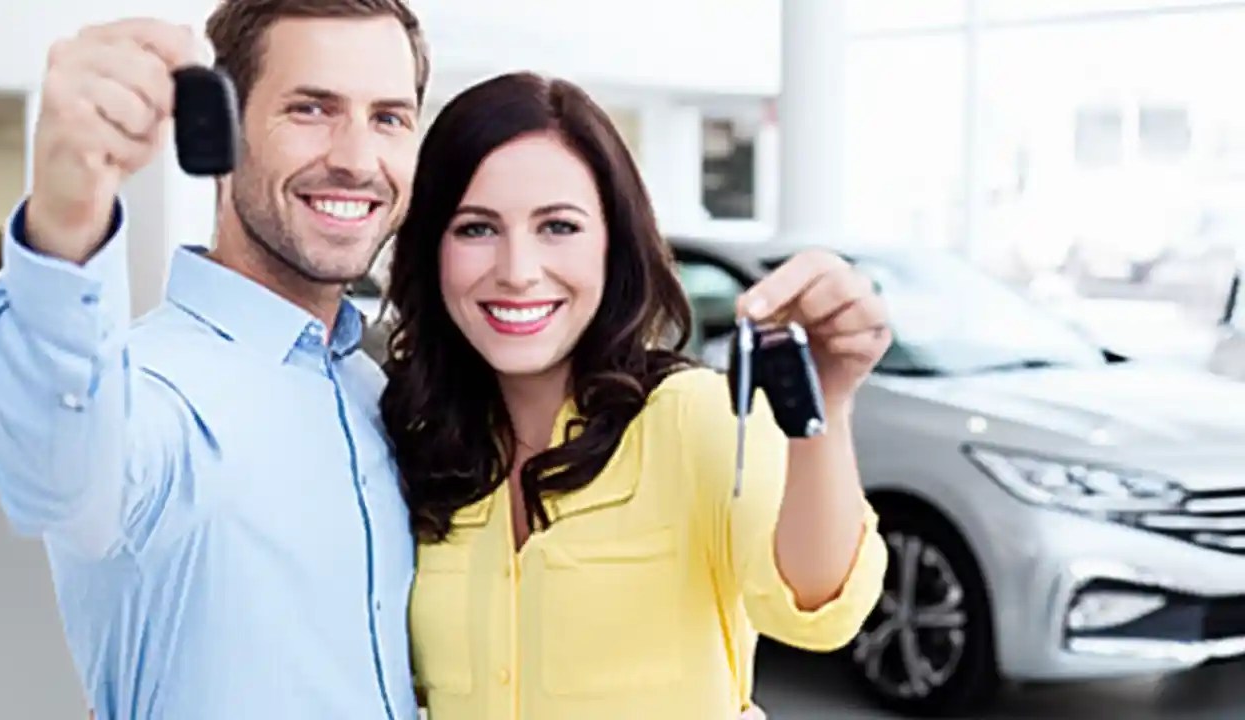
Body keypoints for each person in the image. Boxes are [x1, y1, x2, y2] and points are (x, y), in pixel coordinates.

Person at [0, 2, 430, 717]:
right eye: (310, 109)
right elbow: (59, 482)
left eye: (389, 117)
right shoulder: (151, 393)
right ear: (218, 125)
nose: (357, 159)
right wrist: (65, 223)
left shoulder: (378, 393)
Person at [380, 71, 892, 719]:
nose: (517, 271)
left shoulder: (690, 414)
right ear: (432, 249)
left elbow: (816, 607)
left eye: (558, 226)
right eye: (477, 229)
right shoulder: (417, 437)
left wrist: (823, 410)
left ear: (613, 244)